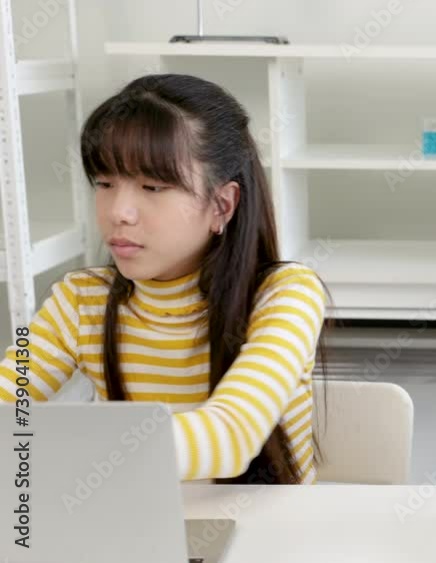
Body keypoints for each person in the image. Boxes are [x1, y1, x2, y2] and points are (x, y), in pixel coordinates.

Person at [0, 74, 329, 485]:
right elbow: (6, 400)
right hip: (133, 533)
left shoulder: (287, 294)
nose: (118, 211)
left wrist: (71, 455)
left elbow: (230, 437)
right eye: (104, 183)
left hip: (268, 540)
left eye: (152, 187)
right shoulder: (78, 300)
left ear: (221, 205)